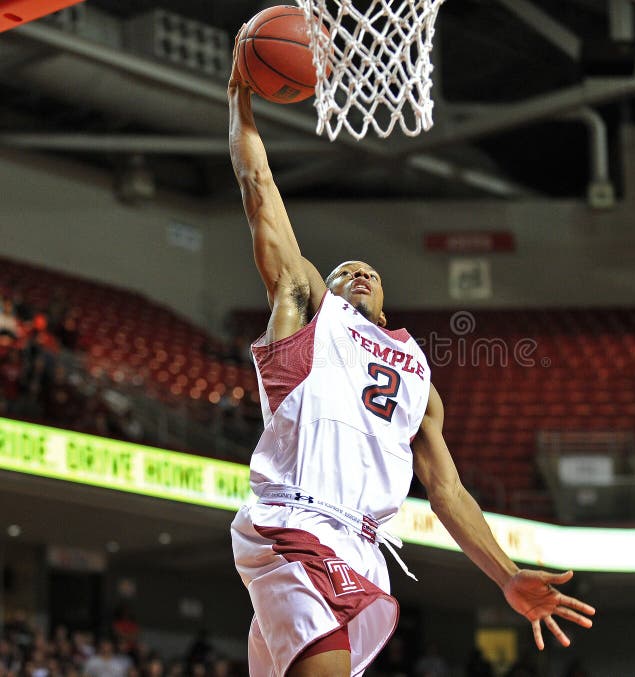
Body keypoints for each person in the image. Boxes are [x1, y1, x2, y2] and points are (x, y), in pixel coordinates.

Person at [227, 26, 595, 677]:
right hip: (297, 523)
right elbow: (260, 192)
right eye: (343, 270)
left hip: (364, 551)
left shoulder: (419, 376)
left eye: (369, 270)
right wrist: (239, 97)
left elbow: (447, 489)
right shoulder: (308, 310)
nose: (358, 272)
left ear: (387, 299)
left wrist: (506, 575)